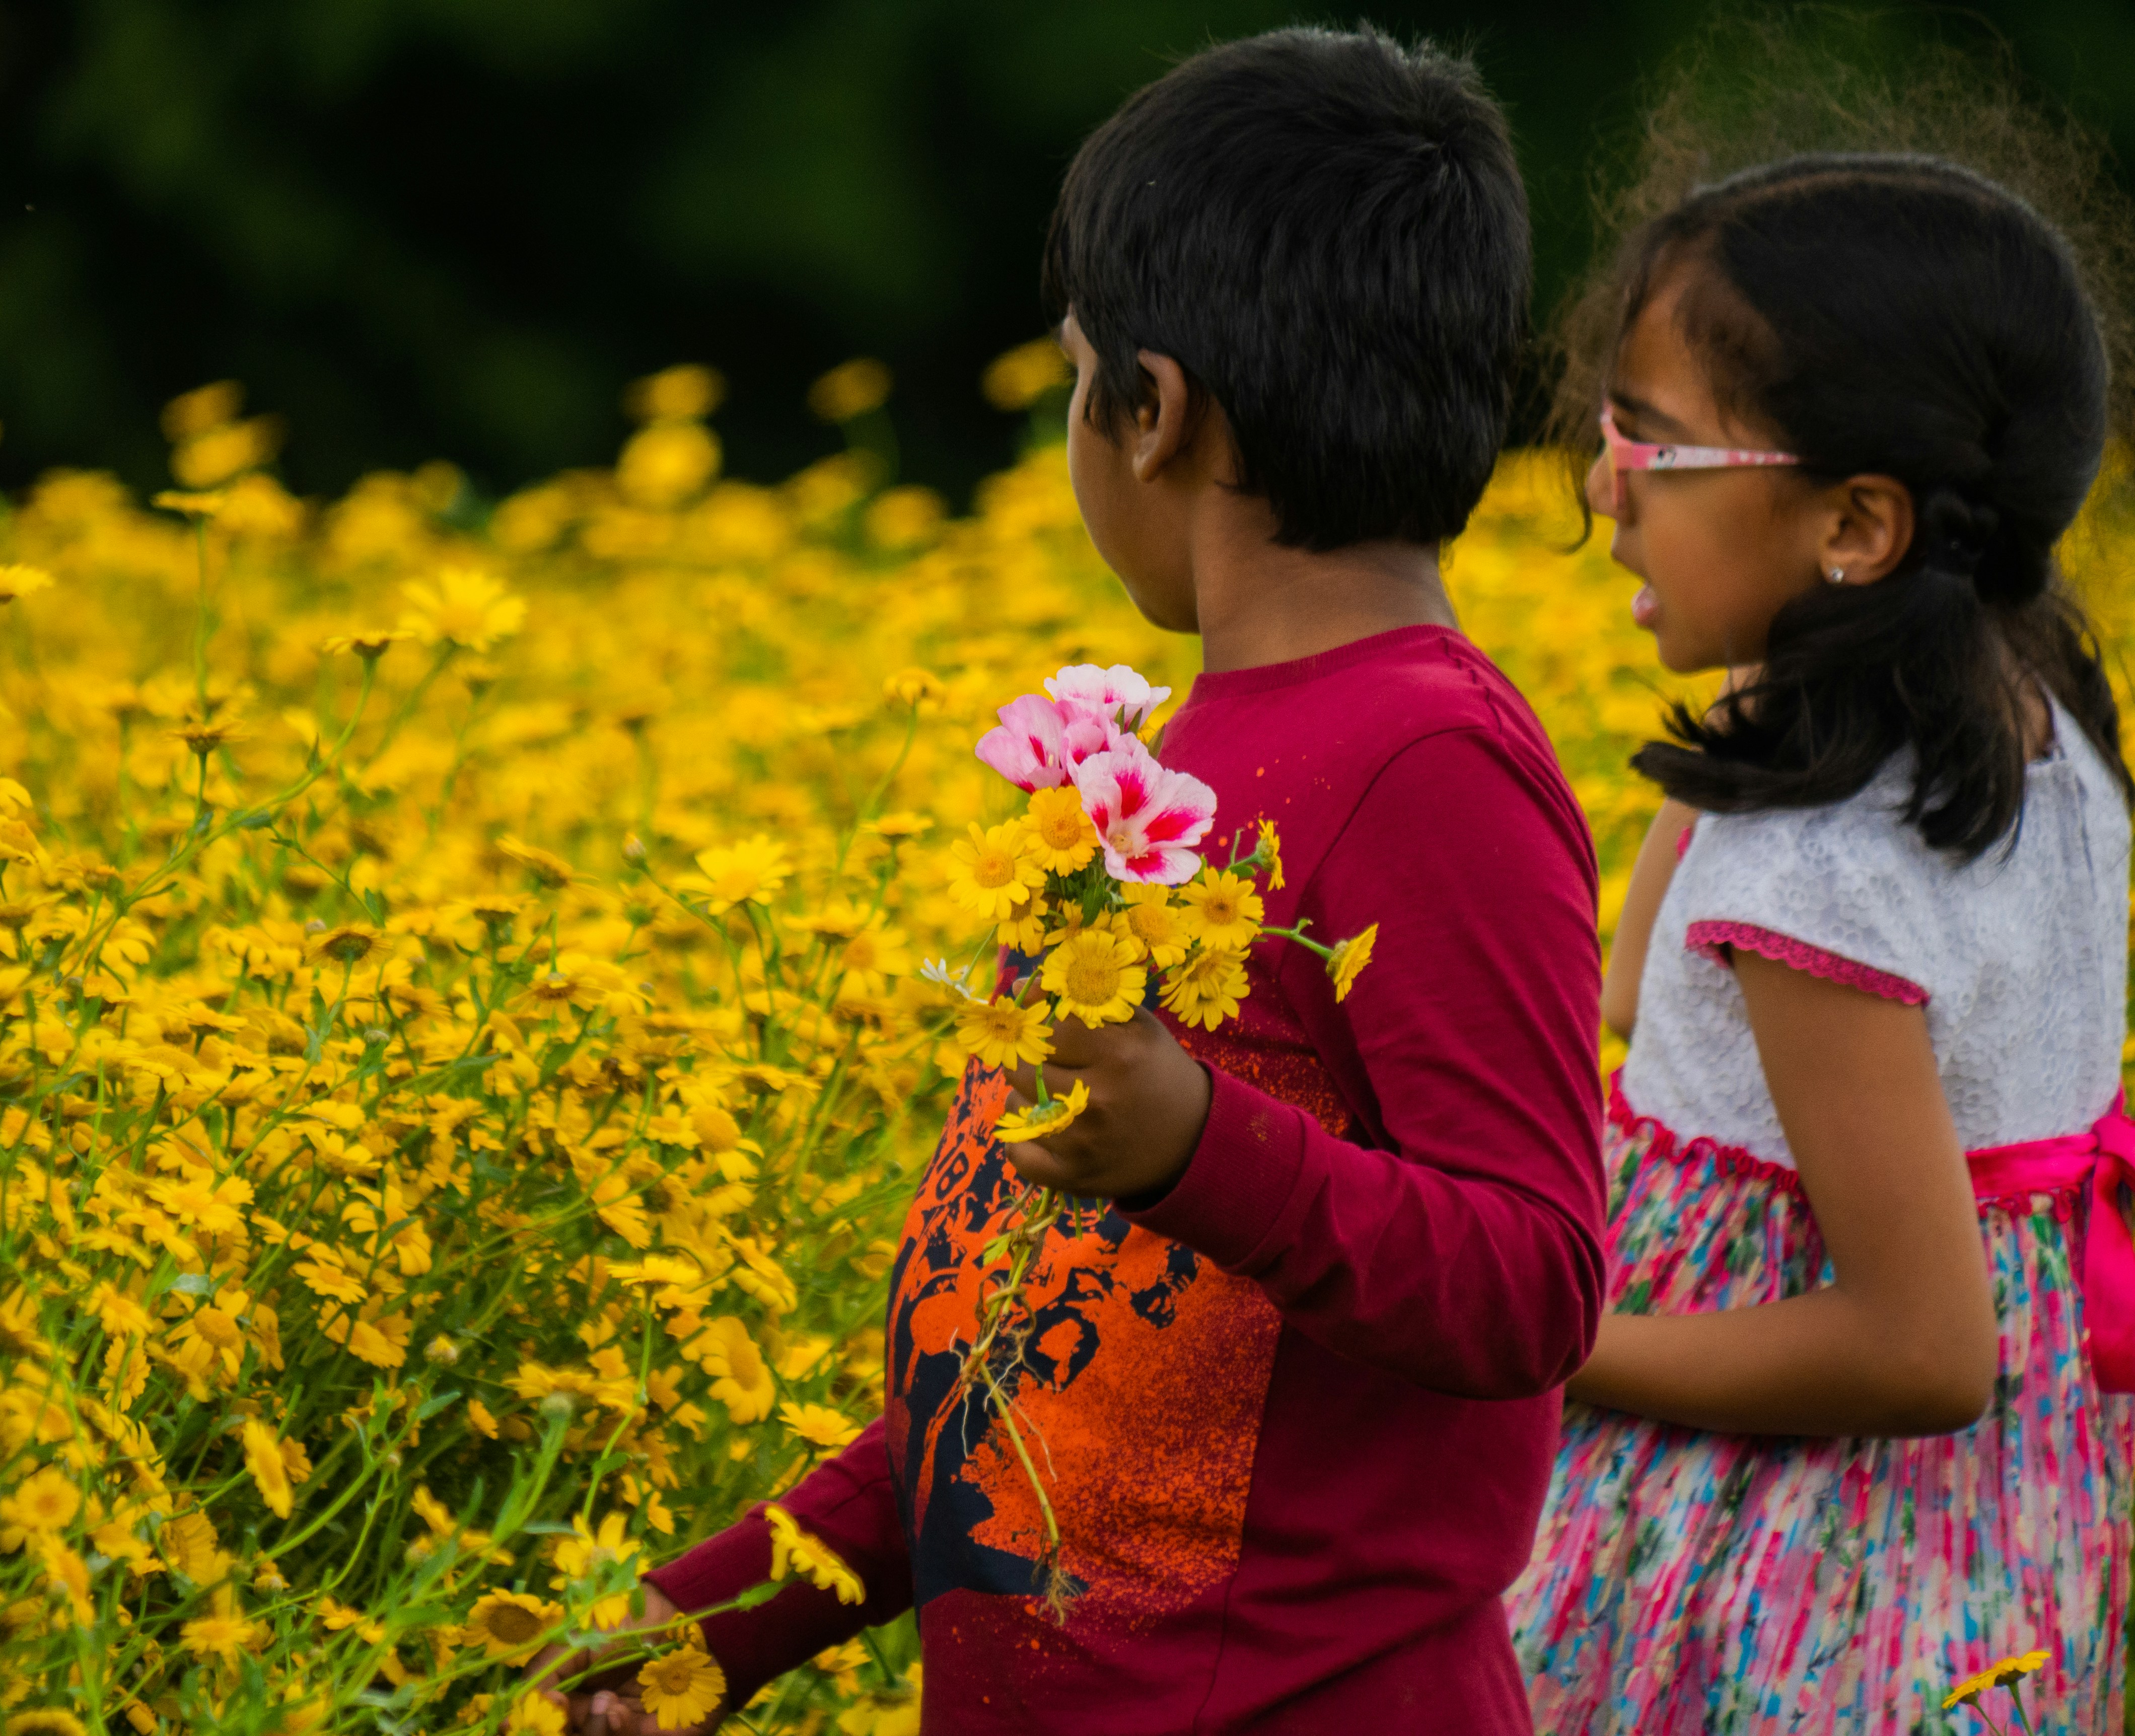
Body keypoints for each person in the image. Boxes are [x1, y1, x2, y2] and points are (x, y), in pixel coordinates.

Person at [550, 25, 1607, 1732]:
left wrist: (1204, 1146)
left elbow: (1537, 1277)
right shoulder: (1161, 766)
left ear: (1155, 408)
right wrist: (709, 1629)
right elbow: (1028, 1361)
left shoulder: (1433, 762)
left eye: (1073, 375)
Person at [1506, 148, 2135, 1733]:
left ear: (1856, 521)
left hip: (1774, 1552)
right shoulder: (2038, 702)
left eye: (1651, 439)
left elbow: (1922, 1348)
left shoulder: (1814, 883)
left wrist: (1549, 1344)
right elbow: (1650, 1007)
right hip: (1991, 1533)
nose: (1603, 486)